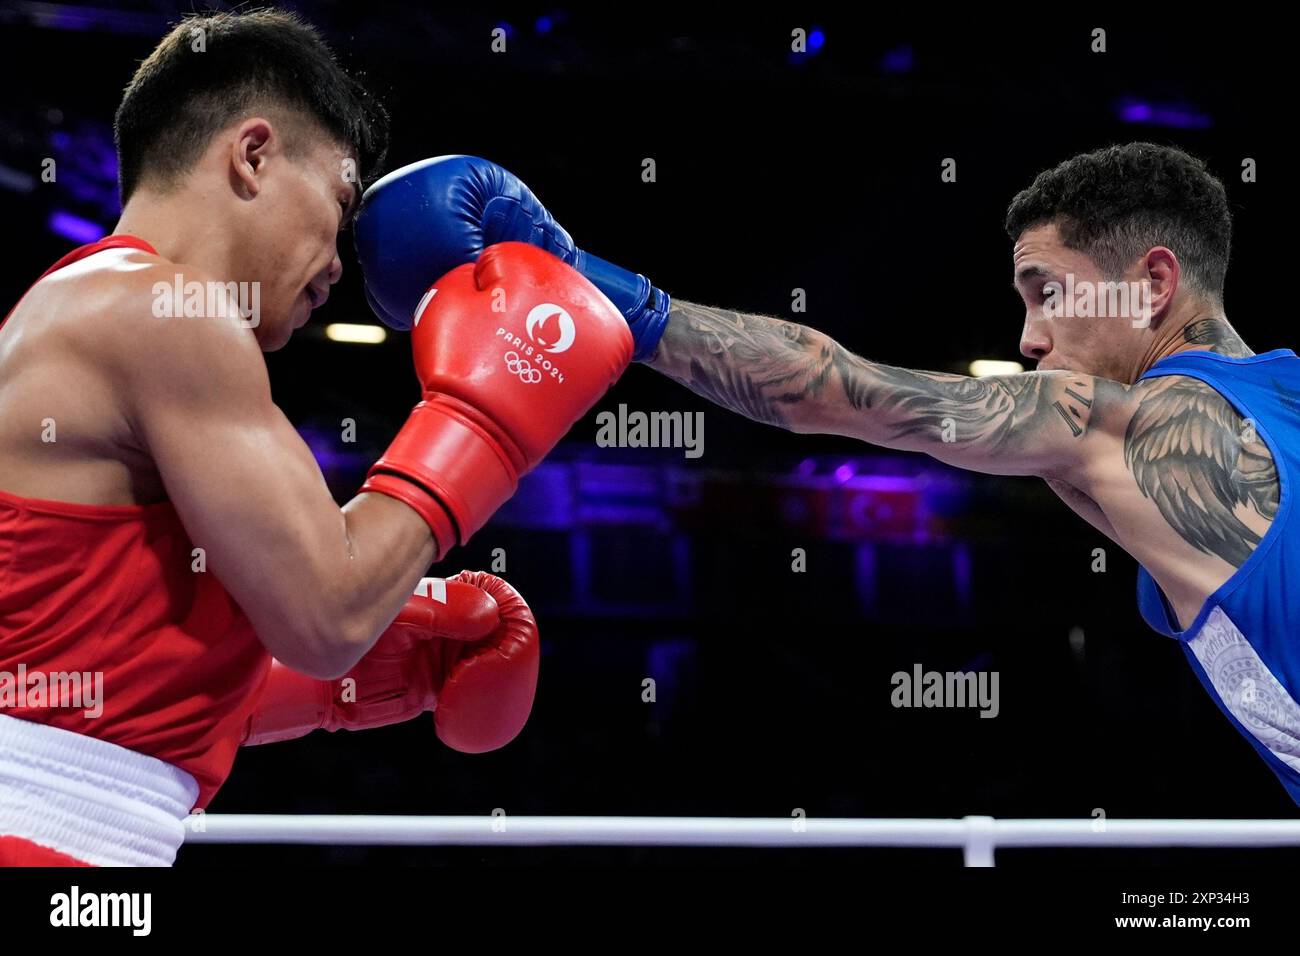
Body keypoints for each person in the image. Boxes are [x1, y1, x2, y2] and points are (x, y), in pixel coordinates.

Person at [360, 144, 1300, 806]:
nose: (1027, 339)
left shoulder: (1124, 424)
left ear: (1153, 283)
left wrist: (603, 293)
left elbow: (840, 390)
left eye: (1046, 294)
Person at [0, 10, 632, 866]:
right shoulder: (160, 310)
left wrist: (336, 687)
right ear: (253, 155)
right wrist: (485, 422)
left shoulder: (82, 304)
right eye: (339, 205)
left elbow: (81, 688)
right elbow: (329, 613)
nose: (339, 264)